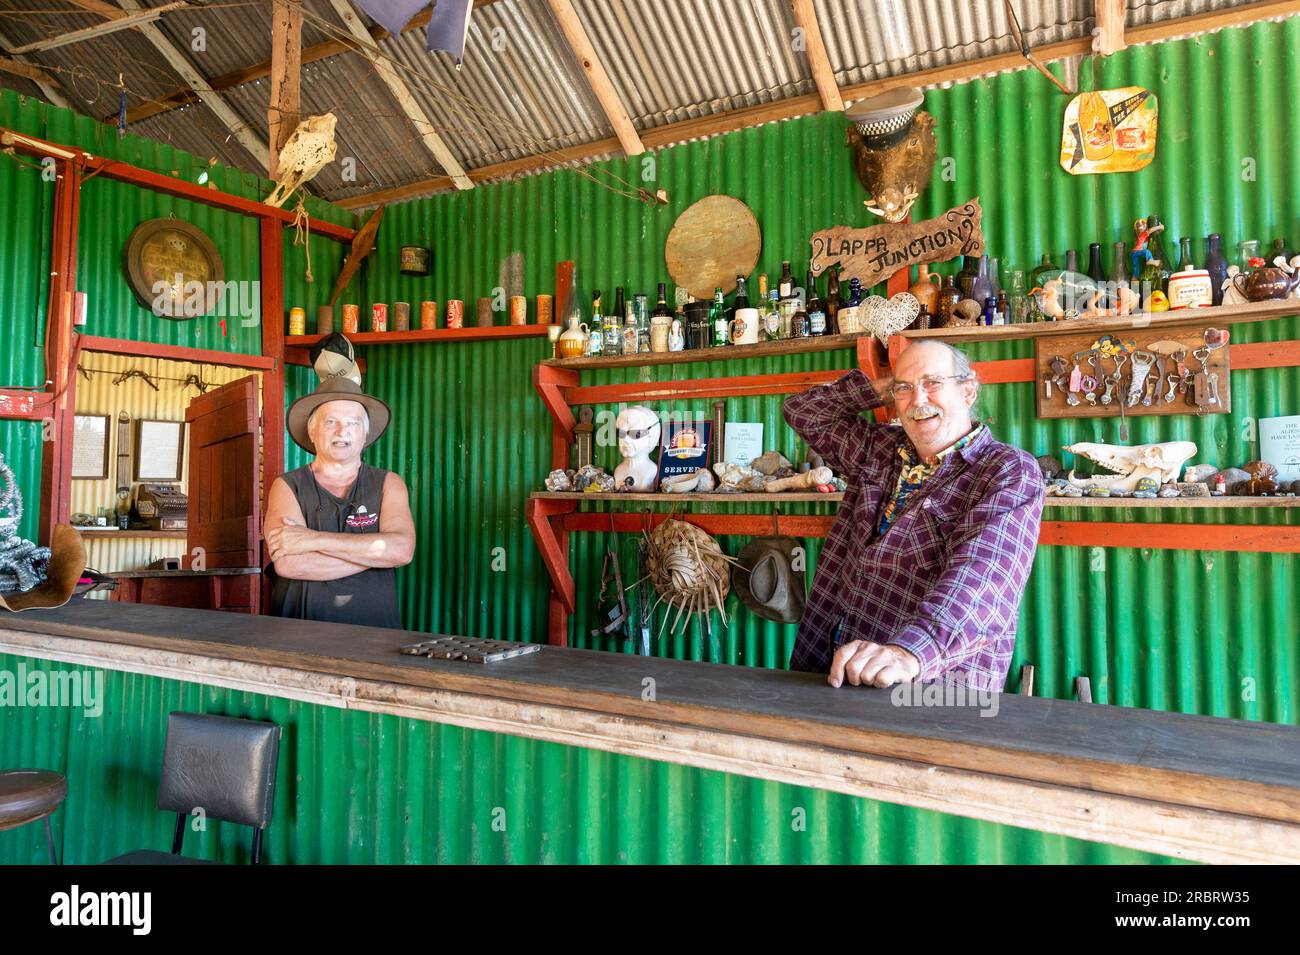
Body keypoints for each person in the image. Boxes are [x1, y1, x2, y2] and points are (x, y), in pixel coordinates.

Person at [782, 340, 1043, 691]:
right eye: (904, 389)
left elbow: (984, 581)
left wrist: (909, 653)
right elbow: (802, 411)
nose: (918, 401)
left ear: (968, 392)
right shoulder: (878, 448)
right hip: (830, 669)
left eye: (933, 383)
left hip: (931, 689)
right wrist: (887, 386)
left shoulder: (1007, 471)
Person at [264, 378, 415, 628]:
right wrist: (375, 556)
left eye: (353, 422)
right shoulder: (287, 485)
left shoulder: (389, 483)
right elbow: (290, 564)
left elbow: (401, 550)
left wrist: (311, 540)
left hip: (375, 634)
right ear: (312, 431)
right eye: (330, 421)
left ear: (365, 433)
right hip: (299, 632)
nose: (342, 431)